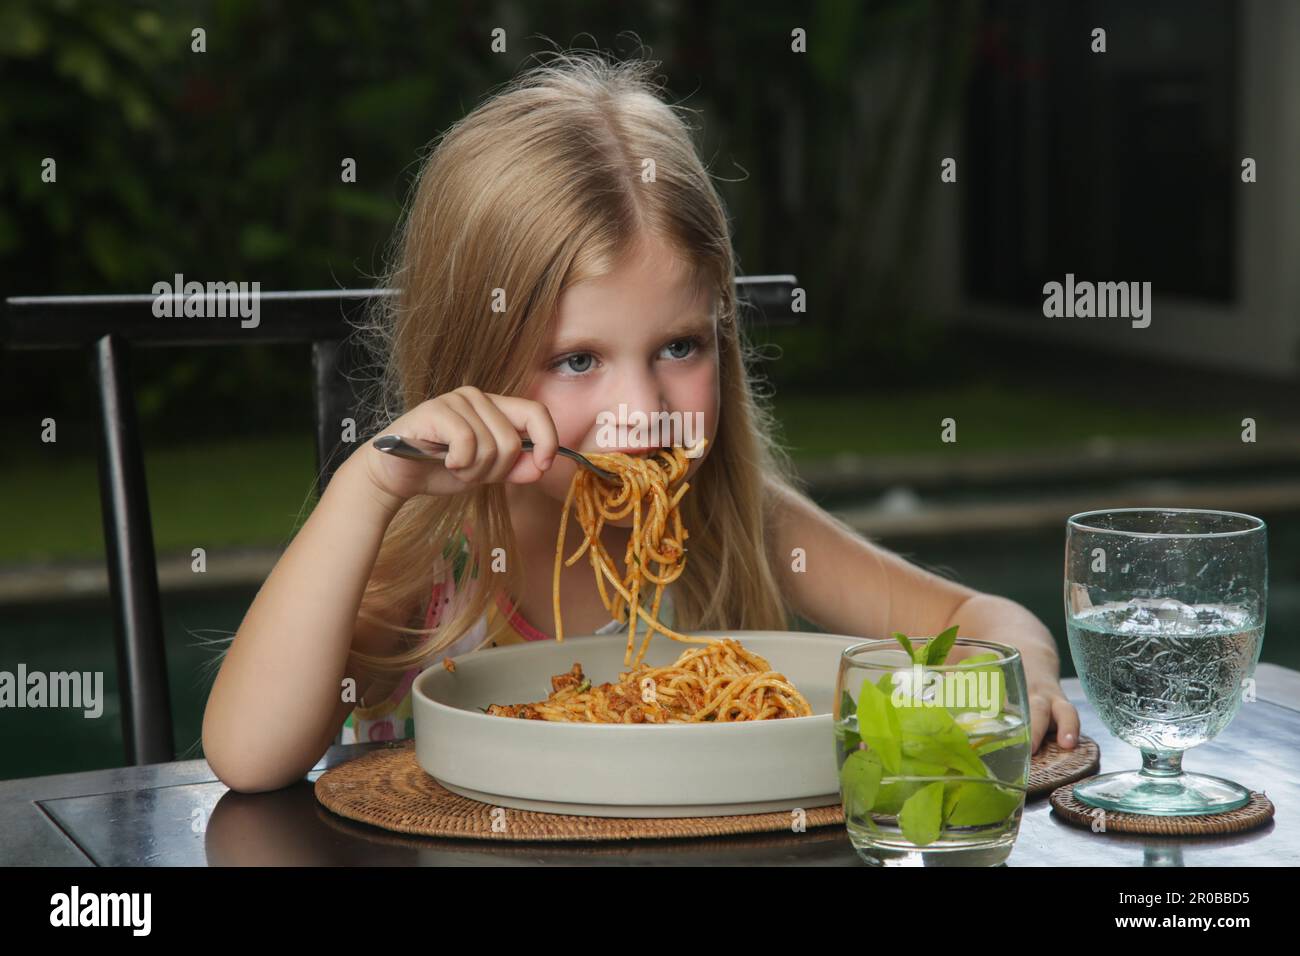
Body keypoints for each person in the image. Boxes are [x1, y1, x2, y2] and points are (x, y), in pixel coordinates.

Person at [202, 49, 1078, 793]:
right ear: (472, 361)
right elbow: (247, 755)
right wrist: (371, 483)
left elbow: (983, 618)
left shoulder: (733, 518)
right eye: (578, 360)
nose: (642, 413)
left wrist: (1026, 674)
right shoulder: (437, 557)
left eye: (680, 347)